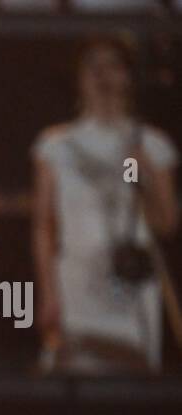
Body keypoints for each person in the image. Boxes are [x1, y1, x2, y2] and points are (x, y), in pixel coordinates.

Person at [32, 33, 179, 374]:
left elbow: (166, 223)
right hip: (77, 282)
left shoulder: (151, 143)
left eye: (113, 65)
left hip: (131, 286)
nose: (103, 75)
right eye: (92, 66)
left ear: (128, 77)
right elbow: (43, 225)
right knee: (77, 385)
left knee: (131, 387)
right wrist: (47, 293)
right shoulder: (56, 145)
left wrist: (149, 175)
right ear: (79, 79)